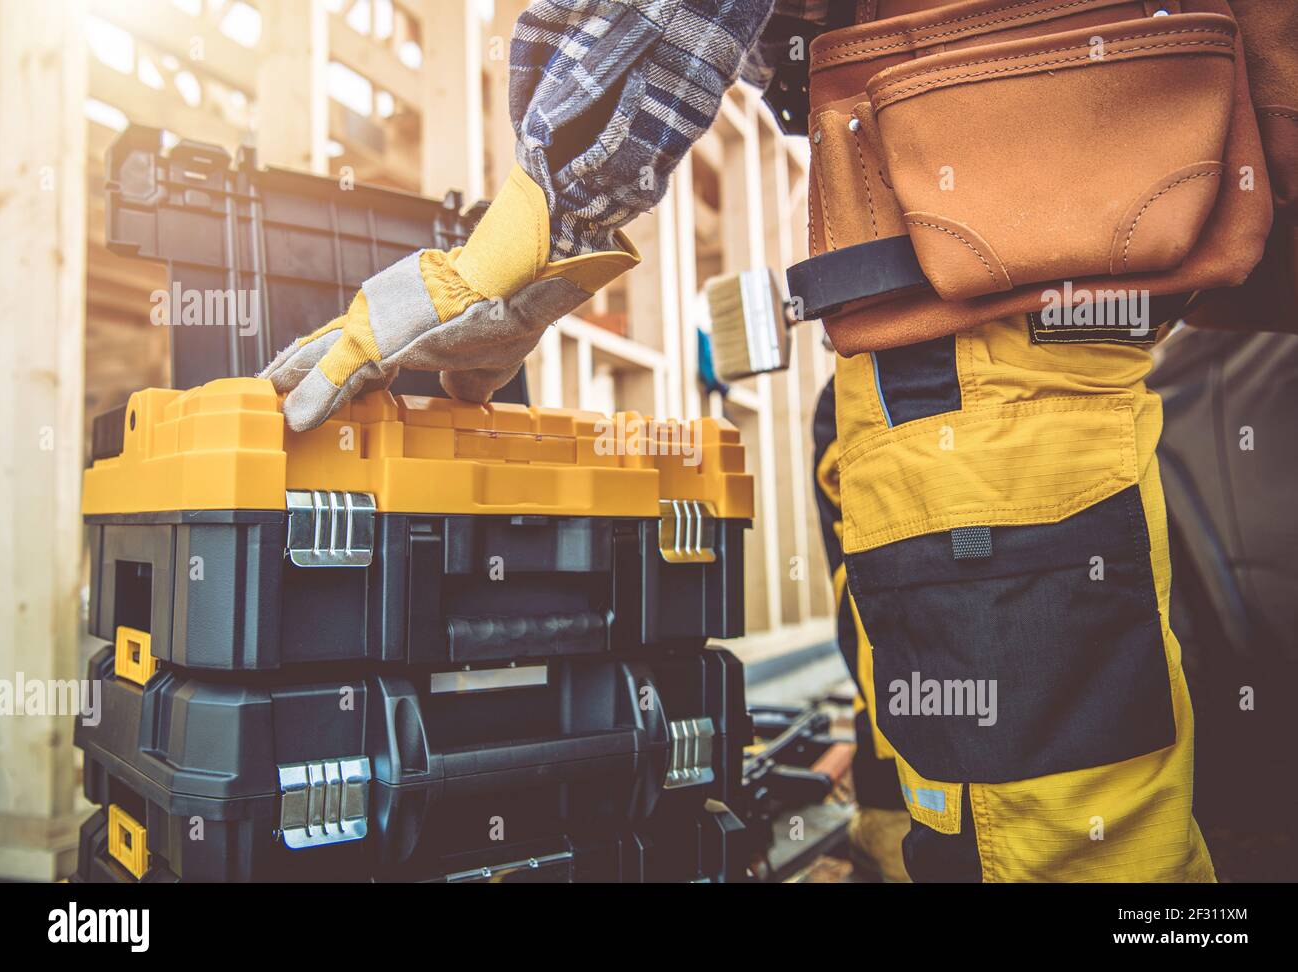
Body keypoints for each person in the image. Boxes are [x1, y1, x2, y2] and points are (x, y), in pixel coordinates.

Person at [266, 0, 1291, 882]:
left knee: (1046, 824)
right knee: (853, 444)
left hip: (989, 273)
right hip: (1098, 226)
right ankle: (908, 815)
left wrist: (548, 217)